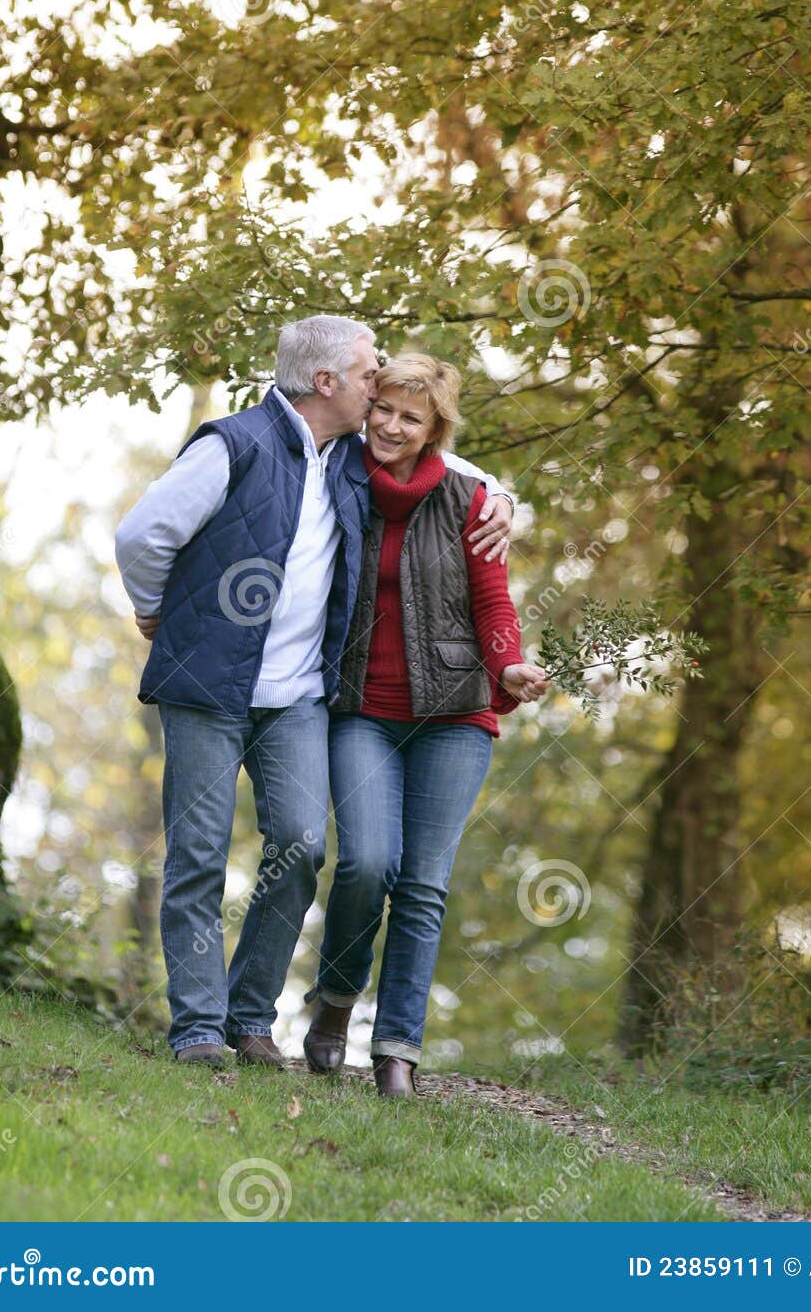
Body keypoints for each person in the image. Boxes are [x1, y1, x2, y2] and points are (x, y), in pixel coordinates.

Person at [114, 316, 514, 1068]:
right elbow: (142, 535)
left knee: (300, 846)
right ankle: (199, 1028)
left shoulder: (348, 460)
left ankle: (248, 1016)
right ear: (326, 382)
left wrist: (503, 497)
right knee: (198, 855)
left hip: (297, 698)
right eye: (370, 373)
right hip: (206, 686)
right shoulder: (231, 444)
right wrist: (155, 608)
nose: (380, 384)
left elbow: (440, 466)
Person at [302, 353, 548, 1097]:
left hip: (455, 712)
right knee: (366, 862)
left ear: (434, 429)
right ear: (368, 403)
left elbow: (491, 601)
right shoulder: (337, 473)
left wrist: (508, 666)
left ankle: (397, 1051)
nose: (390, 426)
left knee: (421, 883)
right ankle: (335, 1005)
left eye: (411, 418)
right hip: (361, 707)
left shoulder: (469, 497)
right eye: (384, 409)